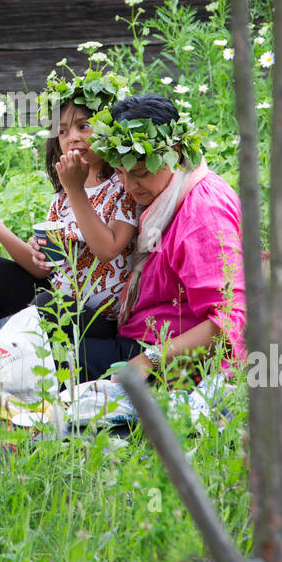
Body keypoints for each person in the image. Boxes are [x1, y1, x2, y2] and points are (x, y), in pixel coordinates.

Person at [77, 93, 246, 387]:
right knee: (47, 317)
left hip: (173, 357)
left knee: (51, 356)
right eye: (120, 173)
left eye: (140, 173)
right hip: (138, 331)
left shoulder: (202, 215)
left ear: (175, 152)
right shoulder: (164, 192)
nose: (129, 186)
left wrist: (149, 360)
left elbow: (231, 319)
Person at [0, 70, 140, 337]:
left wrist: (74, 189)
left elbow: (107, 250)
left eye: (83, 126)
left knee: (46, 304)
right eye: (62, 131)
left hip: (97, 320)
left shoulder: (123, 184)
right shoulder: (65, 193)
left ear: (109, 130)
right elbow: (42, 270)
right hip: (53, 298)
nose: (72, 138)